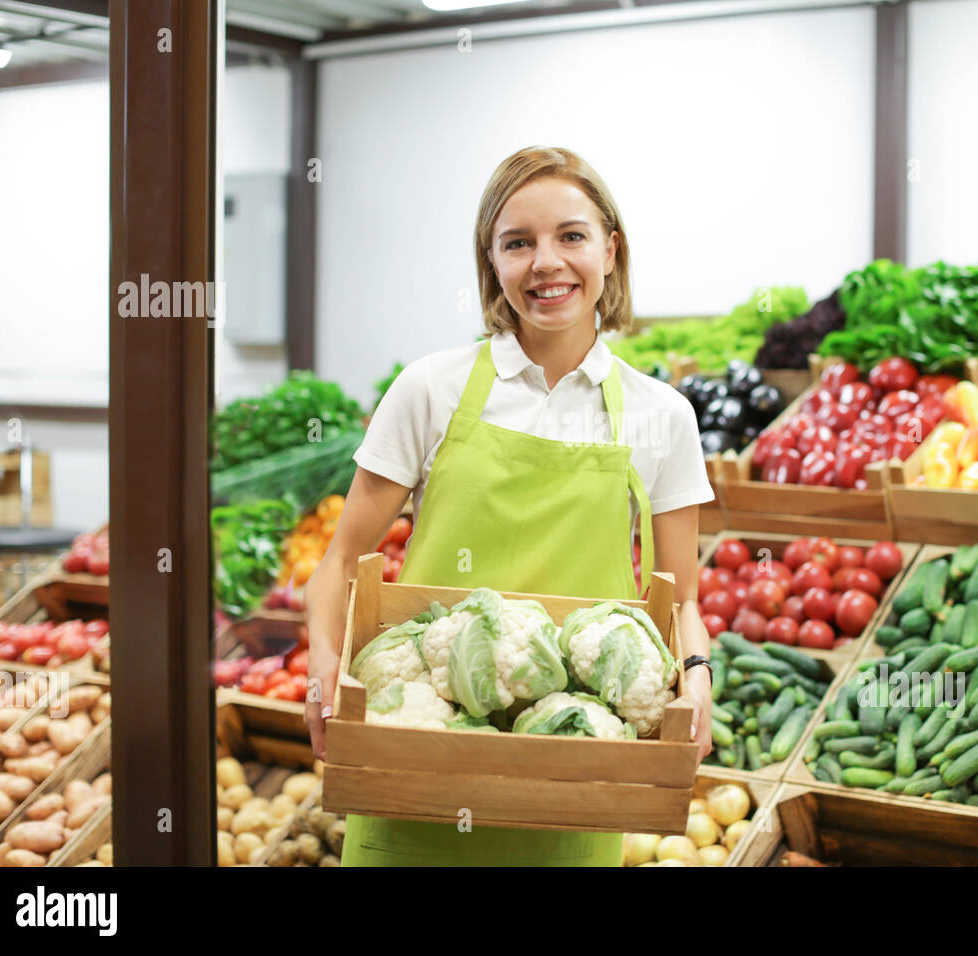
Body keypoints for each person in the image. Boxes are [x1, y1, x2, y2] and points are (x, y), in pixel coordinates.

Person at [304, 146, 715, 867]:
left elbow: (682, 602)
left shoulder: (662, 416)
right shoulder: (430, 388)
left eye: (572, 236)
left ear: (611, 252)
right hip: (420, 764)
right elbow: (339, 561)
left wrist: (700, 674)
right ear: (491, 262)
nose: (545, 262)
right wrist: (323, 670)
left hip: (574, 776)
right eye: (517, 242)